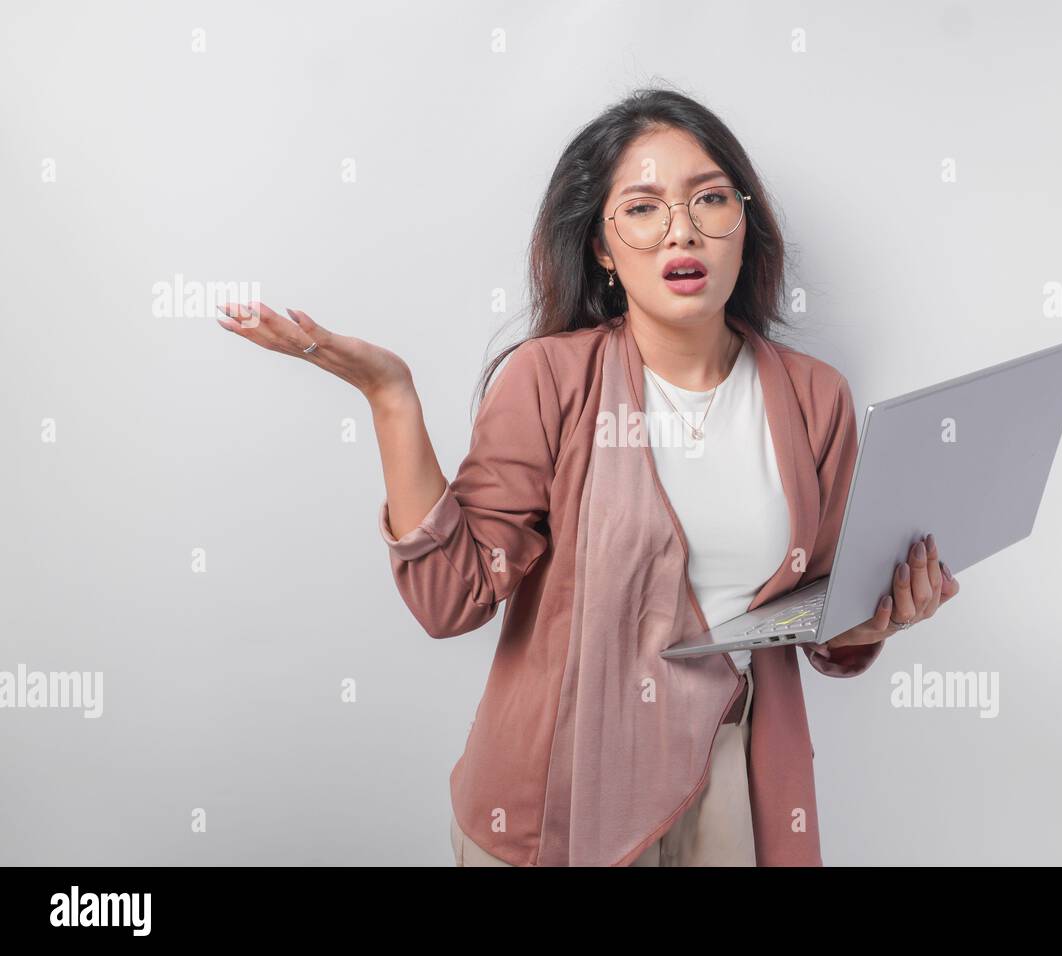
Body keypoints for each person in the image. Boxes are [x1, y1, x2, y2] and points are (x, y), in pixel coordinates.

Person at [215, 86, 960, 867]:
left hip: (731, 790)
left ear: (745, 224)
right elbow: (448, 598)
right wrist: (390, 397)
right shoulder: (551, 381)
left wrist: (880, 618)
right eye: (642, 208)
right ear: (603, 248)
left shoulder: (814, 396)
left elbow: (823, 618)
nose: (683, 229)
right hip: (557, 796)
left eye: (710, 199)